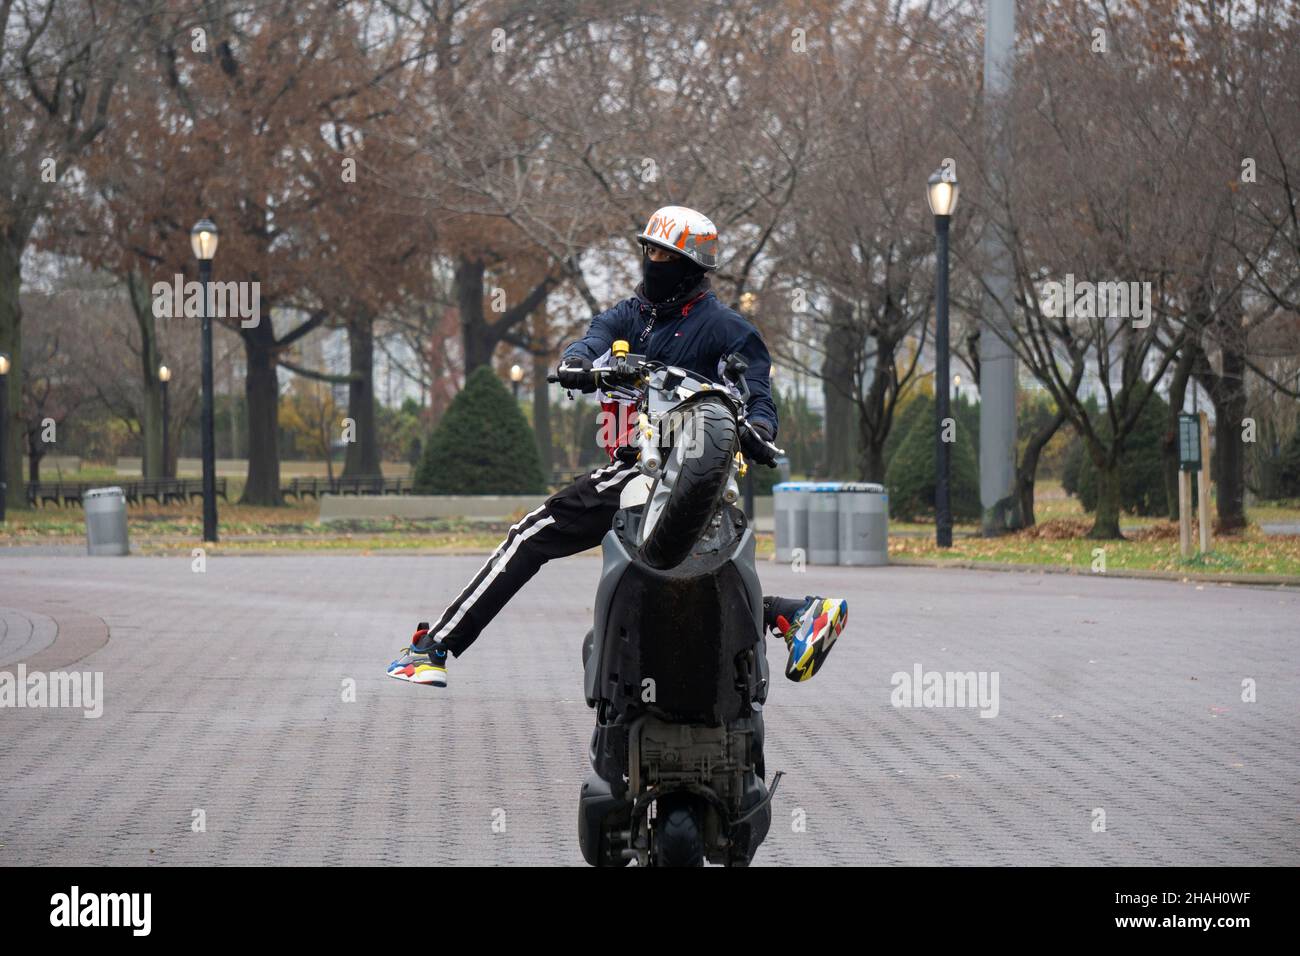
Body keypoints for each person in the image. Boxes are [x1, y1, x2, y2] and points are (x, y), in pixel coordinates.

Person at [387, 205, 847, 689]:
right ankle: (794, 614)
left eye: (661, 254)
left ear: (689, 266)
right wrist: (577, 362)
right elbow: (592, 340)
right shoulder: (628, 315)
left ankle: (433, 646)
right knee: (680, 578)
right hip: (679, 483)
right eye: (646, 250)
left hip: (658, 471)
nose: (649, 261)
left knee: (530, 535)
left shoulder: (727, 328)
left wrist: (759, 427)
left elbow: (759, 392)